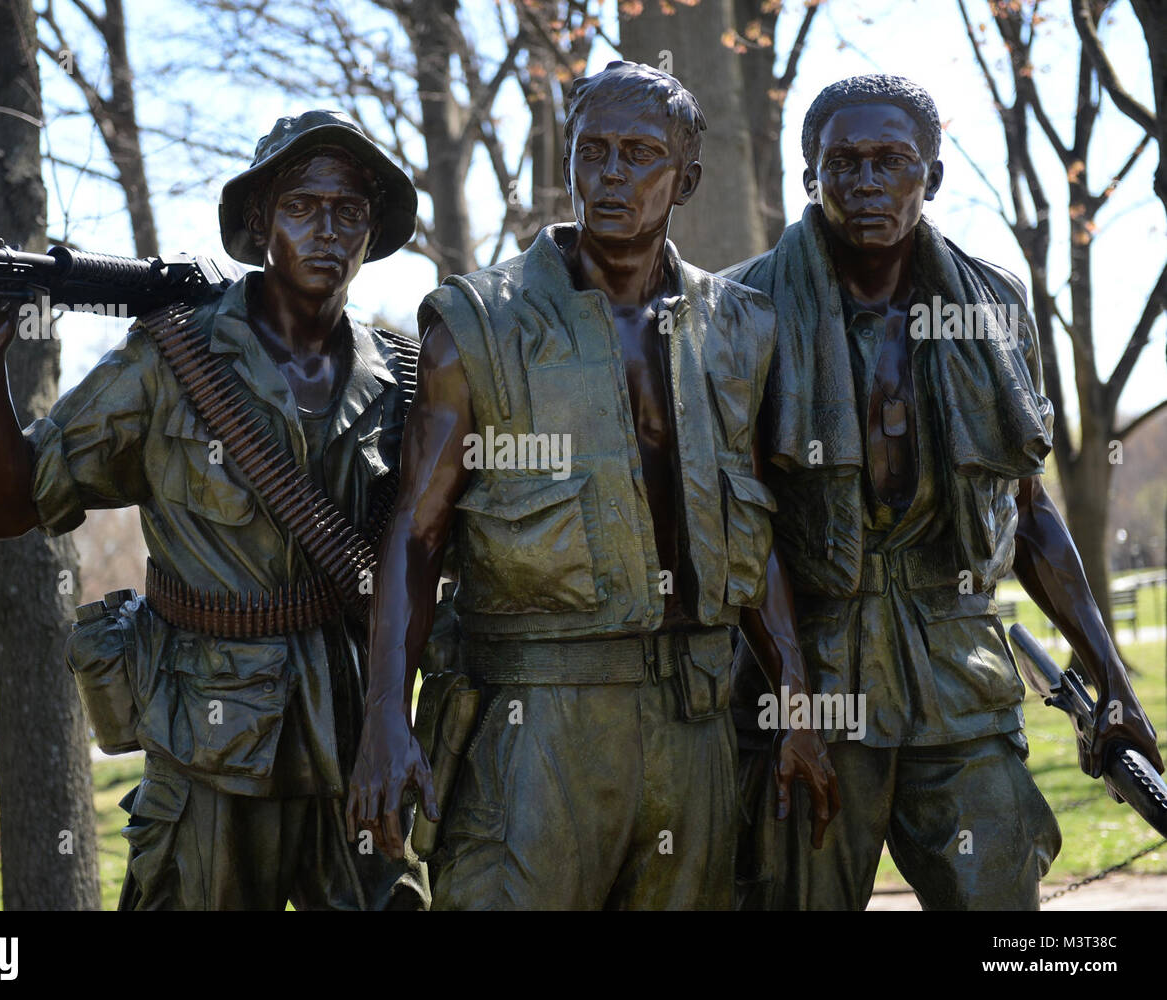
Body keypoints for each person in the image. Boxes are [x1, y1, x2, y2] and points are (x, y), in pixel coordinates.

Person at [345, 61, 838, 910]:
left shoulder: (742, 329)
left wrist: (797, 697)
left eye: (640, 154)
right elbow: (415, 535)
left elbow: (750, 536)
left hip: (691, 721)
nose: (612, 175)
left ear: (685, 180)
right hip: (534, 721)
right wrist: (386, 712)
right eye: (592, 151)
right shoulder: (477, 324)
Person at [0, 110, 427, 911]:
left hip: (355, 734)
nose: (328, 230)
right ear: (260, 220)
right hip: (210, 744)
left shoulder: (403, 377)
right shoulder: (170, 361)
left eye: (350, 212)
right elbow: (8, 506)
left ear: (372, 234)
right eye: (303, 206)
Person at [723, 74, 1163, 910]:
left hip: (957, 675)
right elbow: (745, 528)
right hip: (811, 671)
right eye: (842, 162)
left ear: (933, 173)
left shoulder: (994, 307)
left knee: (1001, 898)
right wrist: (790, 700)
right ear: (809, 174)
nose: (866, 184)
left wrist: (1112, 676)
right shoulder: (743, 310)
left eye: (893, 161)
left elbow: (1029, 513)